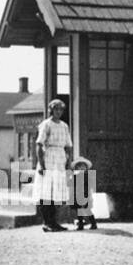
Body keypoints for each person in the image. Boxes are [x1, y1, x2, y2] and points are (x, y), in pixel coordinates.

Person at [35, 99, 73, 233]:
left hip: (60, 159)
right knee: (46, 191)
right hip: (49, 157)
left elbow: (68, 146)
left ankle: (54, 222)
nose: (58, 112)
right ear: (51, 110)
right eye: (56, 109)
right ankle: (47, 223)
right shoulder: (46, 125)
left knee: (56, 191)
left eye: (61, 109)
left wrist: (68, 163)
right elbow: (39, 145)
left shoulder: (64, 126)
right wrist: (41, 164)